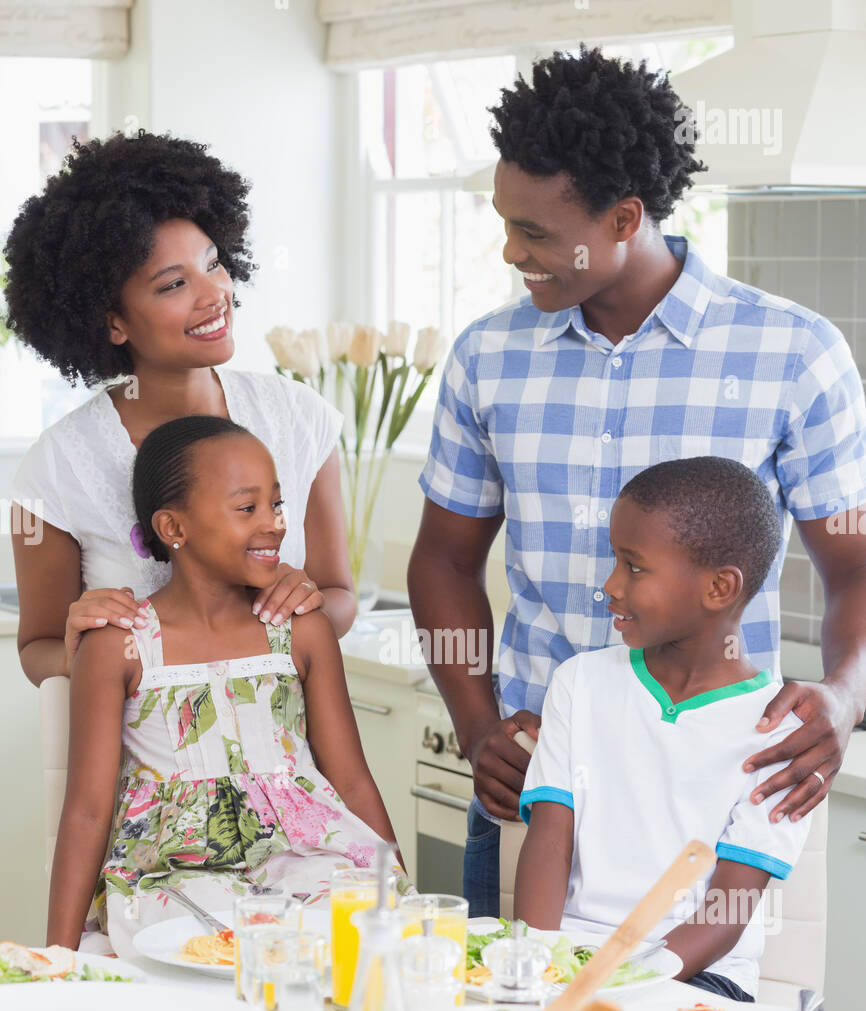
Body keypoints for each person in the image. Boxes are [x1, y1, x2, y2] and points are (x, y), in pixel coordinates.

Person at [408, 48, 866, 918]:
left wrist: (843, 695)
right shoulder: (487, 358)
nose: (511, 252)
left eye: (535, 232)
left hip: (715, 796)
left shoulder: (793, 355)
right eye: (505, 224)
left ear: (624, 218)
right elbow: (442, 562)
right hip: (532, 785)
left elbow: (856, 567)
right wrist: (476, 727)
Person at [6, 130, 355, 691]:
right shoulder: (57, 470)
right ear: (112, 321)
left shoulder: (299, 419)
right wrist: (94, 648)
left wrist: (307, 605)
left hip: (287, 761)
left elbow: (339, 598)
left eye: (213, 263)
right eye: (173, 284)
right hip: (143, 767)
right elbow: (36, 649)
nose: (214, 293)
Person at [46, 417, 403, 956]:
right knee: (190, 937)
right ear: (173, 528)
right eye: (247, 508)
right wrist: (59, 954)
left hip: (306, 861)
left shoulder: (302, 628)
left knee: (356, 922)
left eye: (276, 505)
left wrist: (401, 887)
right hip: (175, 873)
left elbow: (350, 781)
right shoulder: (118, 645)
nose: (274, 524)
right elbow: (88, 812)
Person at [514, 458, 812, 1003]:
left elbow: (725, 914)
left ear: (719, 588)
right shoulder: (580, 684)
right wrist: (533, 963)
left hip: (698, 974)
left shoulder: (784, 734)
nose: (610, 586)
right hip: (568, 961)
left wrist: (618, 987)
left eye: (634, 567)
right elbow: (549, 843)